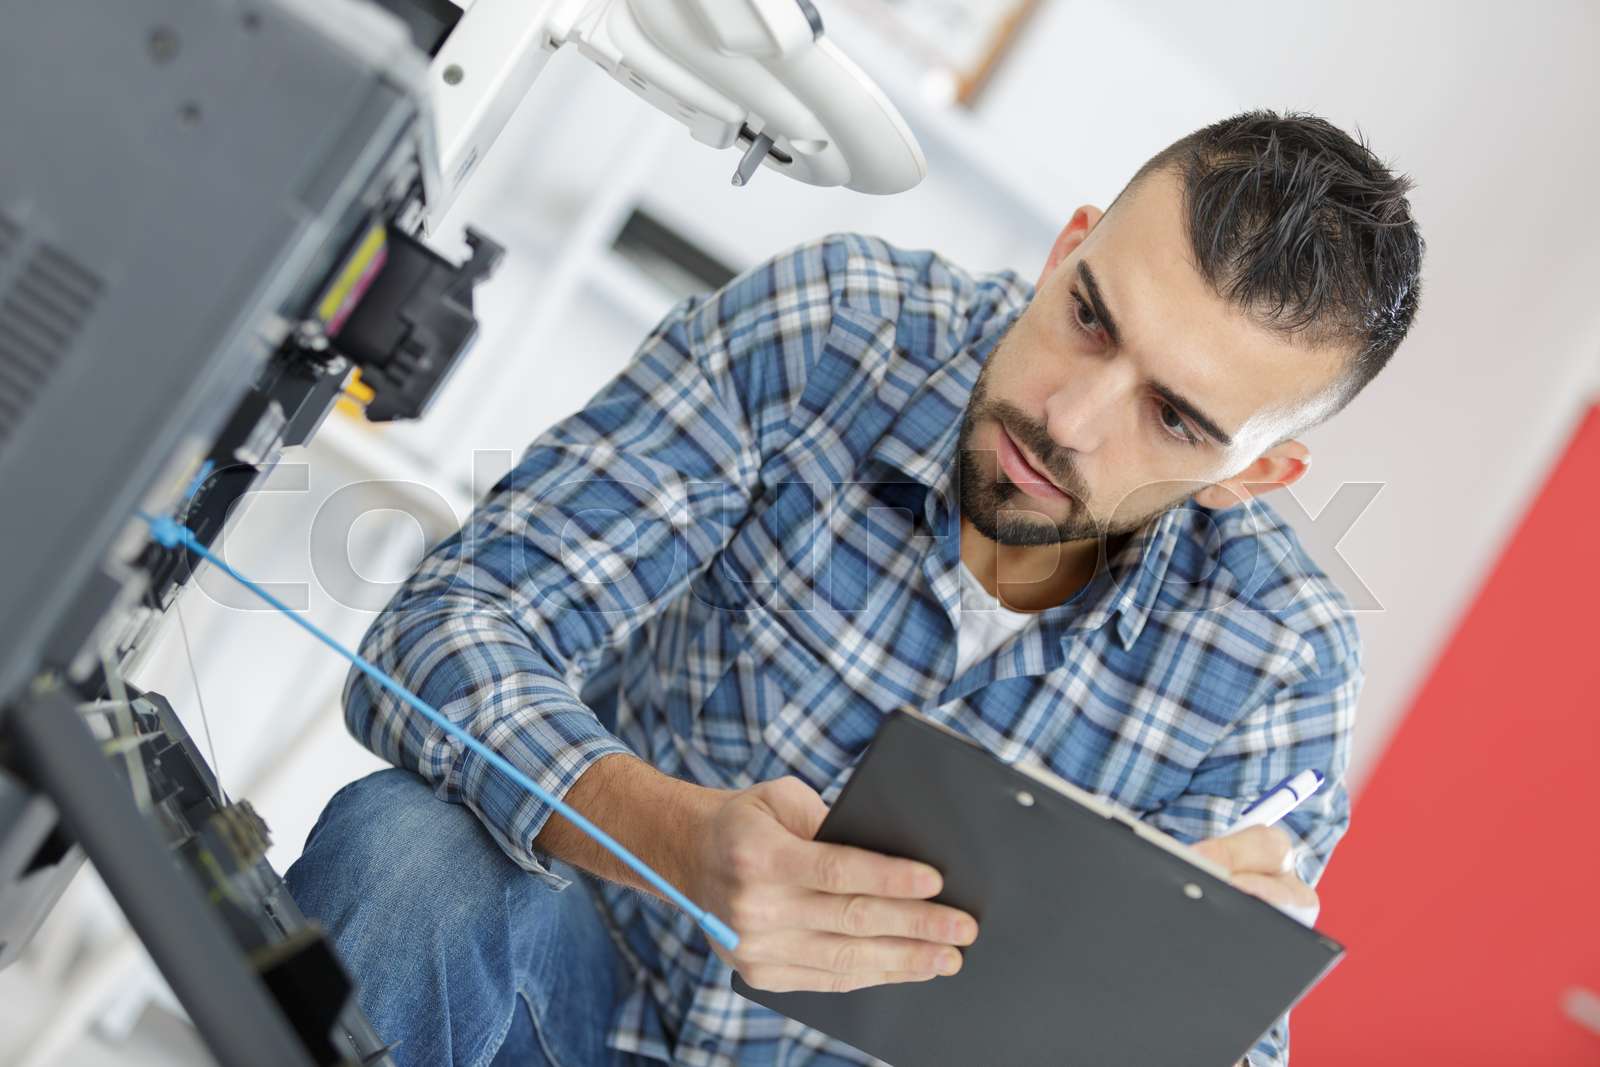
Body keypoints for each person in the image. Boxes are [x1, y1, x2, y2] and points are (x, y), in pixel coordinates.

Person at [286, 109, 1424, 1067]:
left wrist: (1169, 1008)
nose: (1065, 418)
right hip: (579, 996)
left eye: (1170, 416)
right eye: (1087, 318)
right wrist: (668, 835)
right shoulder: (838, 329)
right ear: (1064, 249)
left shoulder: (1278, 664)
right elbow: (439, 631)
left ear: (1253, 476)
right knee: (404, 851)